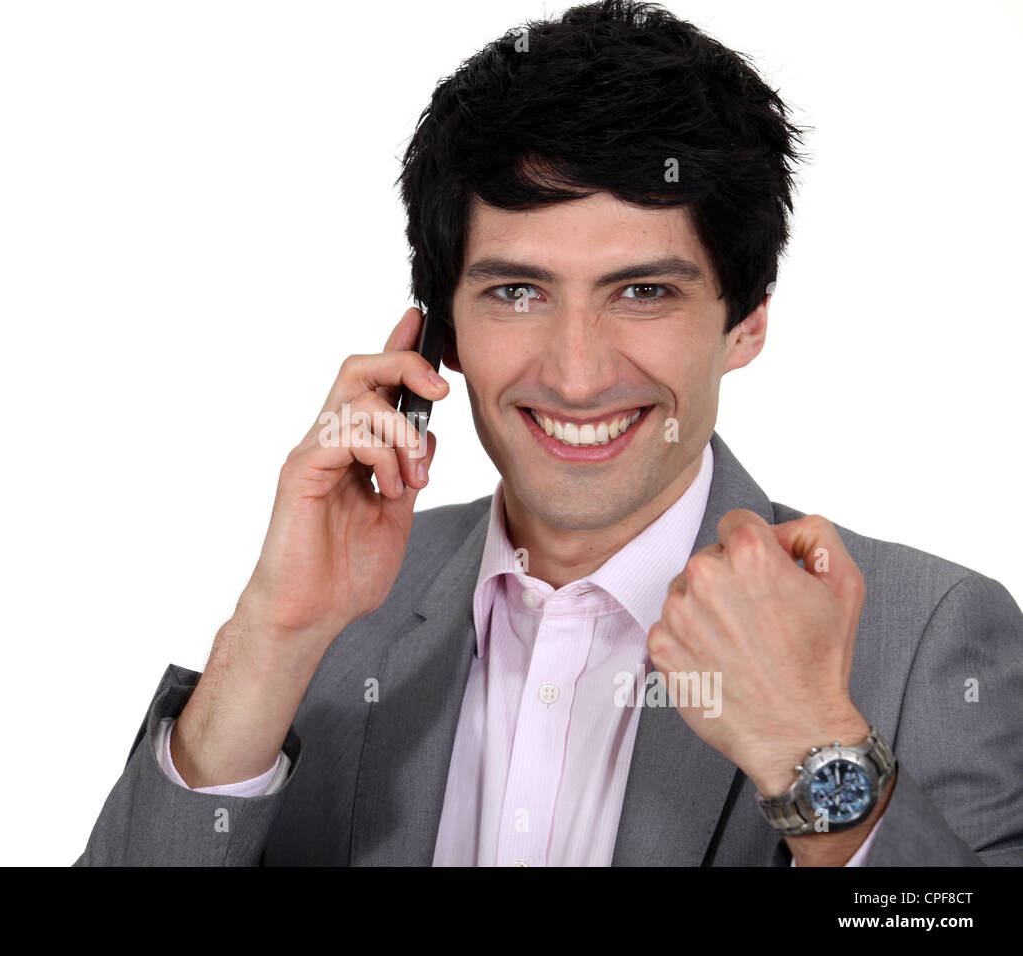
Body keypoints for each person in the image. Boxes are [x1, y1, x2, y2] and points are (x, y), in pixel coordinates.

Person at [74, 0, 1023, 866]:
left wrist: (813, 754)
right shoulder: (329, 619)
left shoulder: (930, 634)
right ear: (439, 331)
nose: (576, 373)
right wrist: (272, 640)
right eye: (517, 292)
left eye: (644, 291)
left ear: (747, 323)